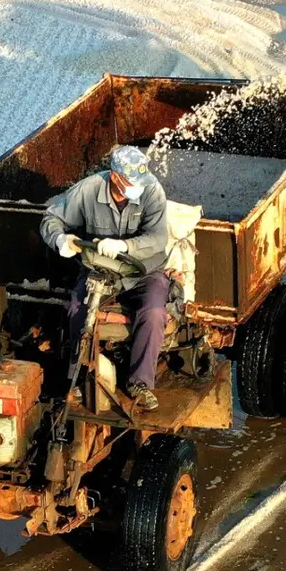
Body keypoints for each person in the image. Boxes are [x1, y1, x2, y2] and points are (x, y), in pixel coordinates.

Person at [41, 144, 172, 413]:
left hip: (143, 272)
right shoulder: (88, 190)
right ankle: (79, 378)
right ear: (115, 177)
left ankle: (140, 383)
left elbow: (159, 238)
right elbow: (50, 219)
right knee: (79, 310)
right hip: (99, 270)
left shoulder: (151, 190)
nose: (138, 187)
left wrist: (126, 246)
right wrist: (61, 239)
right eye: (131, 182)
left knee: (155, 312)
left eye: (140, 182)